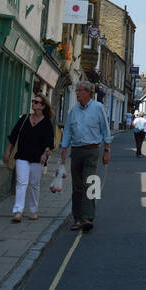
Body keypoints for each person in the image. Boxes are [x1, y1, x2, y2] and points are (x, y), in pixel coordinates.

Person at [58, 81, 111, 233]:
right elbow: (67, 131)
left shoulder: (98, 108)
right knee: (77, 186)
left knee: (90, 182)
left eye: (80, 91)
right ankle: (77, 219)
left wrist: (107, 150)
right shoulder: (73, 110)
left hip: (92, 150)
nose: (77, 93)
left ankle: (87, 217)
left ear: (88, 92)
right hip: (76, 151)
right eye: (76, 91)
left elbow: (105, 130)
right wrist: (63, 150)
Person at [4, 94, 55, 223]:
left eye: (36, 102)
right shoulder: (25, 118)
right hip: (22, 156)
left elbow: (49, 143)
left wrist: (45, 154)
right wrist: (8, 151)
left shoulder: (47, 123)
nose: (33, 104)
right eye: (33, 102)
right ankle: (18, 211)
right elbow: (14, 136)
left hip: (37, 158)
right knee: (21, 183)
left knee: (34, 184)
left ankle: (33, 210)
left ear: (43, 106)